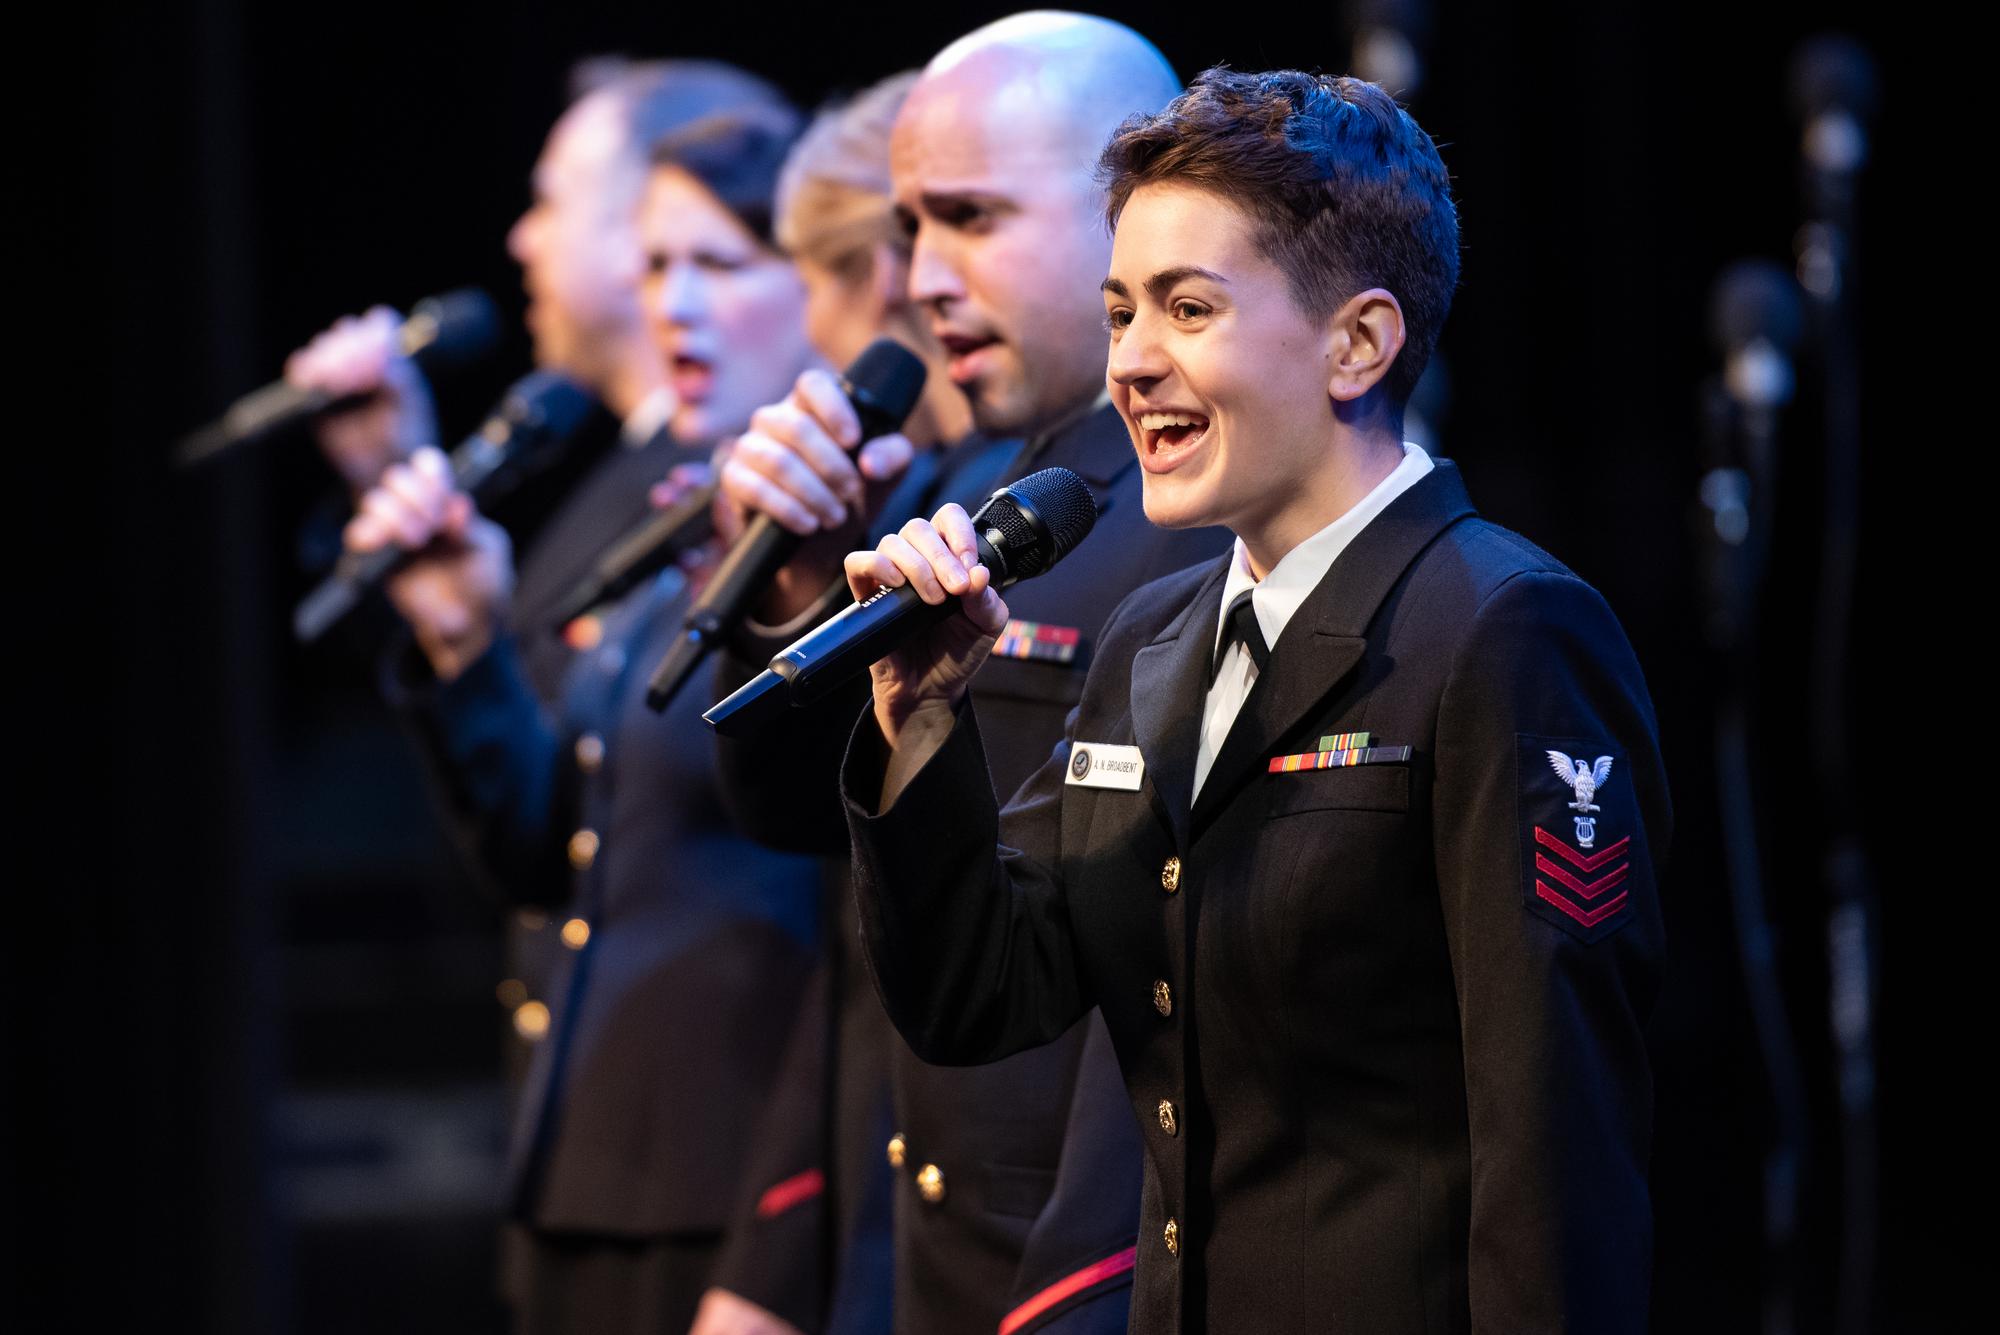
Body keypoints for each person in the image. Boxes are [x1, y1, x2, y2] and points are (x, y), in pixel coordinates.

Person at [835, 69, 1671, 1334]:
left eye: (1186, 308)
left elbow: (1552, 1142)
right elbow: (978, 993)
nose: (1130, 364)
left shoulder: (1499, 629)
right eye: (1119, 312)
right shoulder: (1154, 637)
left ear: (1358, 342)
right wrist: (924, 718)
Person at [700, 15, 1229, 1334]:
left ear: (1130, 211)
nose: (920, 278)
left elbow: (1154, 1001)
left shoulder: (1205, 518)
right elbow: (807, 836)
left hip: (1071, 1276)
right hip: (923, 1254)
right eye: (909, 226)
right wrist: (783, 584)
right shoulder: (962, 490)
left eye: (970, 219)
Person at [334, 92, 827, 1334]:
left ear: (825, 287)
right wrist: (458, 636)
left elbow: (855, 951)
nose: (676, 303)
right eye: (657, 265)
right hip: (590, 1168)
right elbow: (547, 850)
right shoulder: (666, 514)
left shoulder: (853, 547)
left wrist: (779, 1247)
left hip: (739, 1199)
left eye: (718, 262)